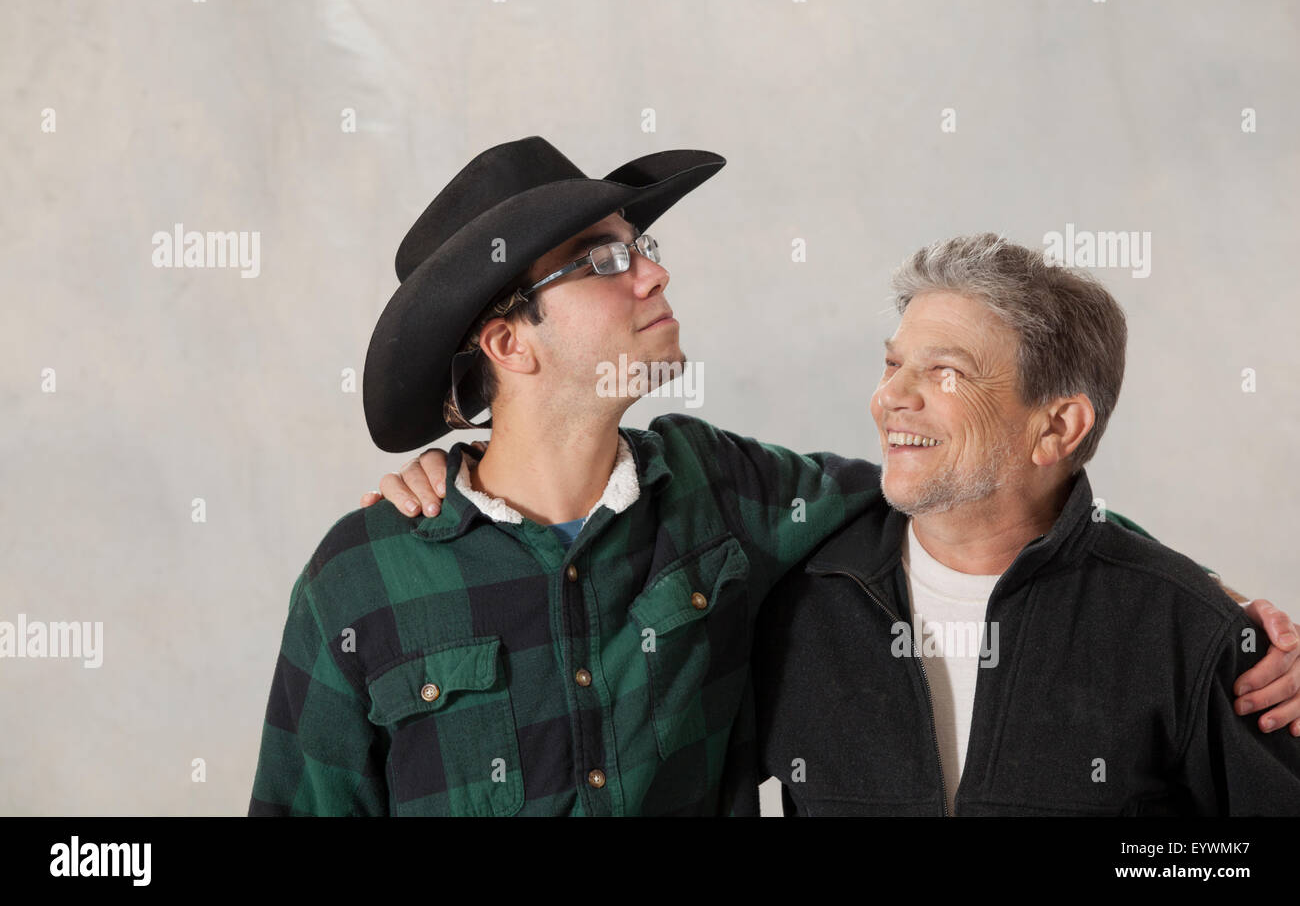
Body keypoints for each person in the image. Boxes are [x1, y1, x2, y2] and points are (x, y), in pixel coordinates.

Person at [248, 136, 884, 815]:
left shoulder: (716, 485)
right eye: (605, 259)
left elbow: (914, 498)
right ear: (508, 344)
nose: (652, 274)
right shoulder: (359, 579)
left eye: (643, 248)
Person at [743, 234, 1300, 814]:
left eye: (944, 372)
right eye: (892, 363)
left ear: (1057, 428)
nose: (890, 397)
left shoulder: (1190, 632)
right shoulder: (795, 605)